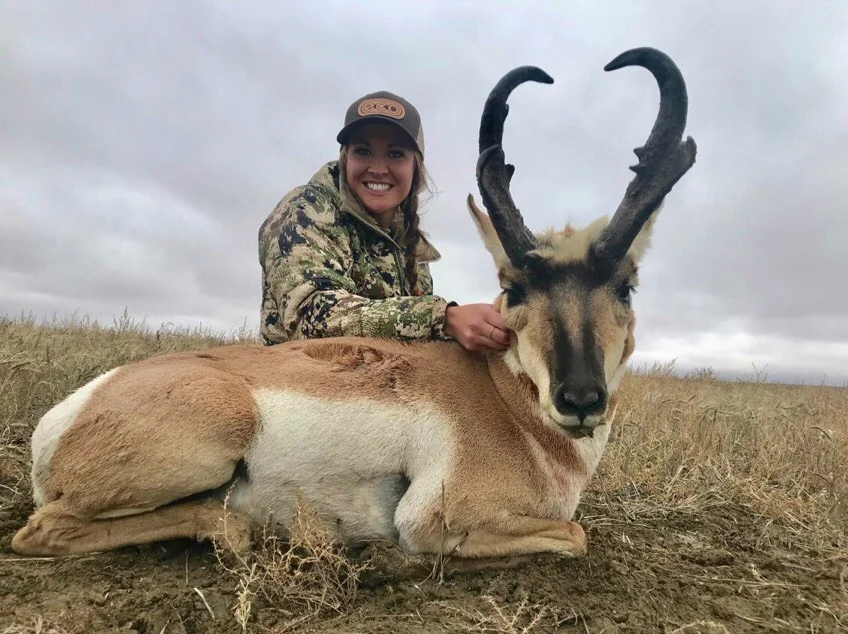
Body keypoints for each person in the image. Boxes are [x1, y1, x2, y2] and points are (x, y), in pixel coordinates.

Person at [258, 90, 510, 352]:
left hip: (379, 373)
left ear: (416, 166)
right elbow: (311, 317)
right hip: (303, 372)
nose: (378, 169)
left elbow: (412, 340)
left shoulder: (408, 240)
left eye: (395, 154)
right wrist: (444, 318)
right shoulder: (304, 210)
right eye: (363, 151)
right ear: (345, 158)